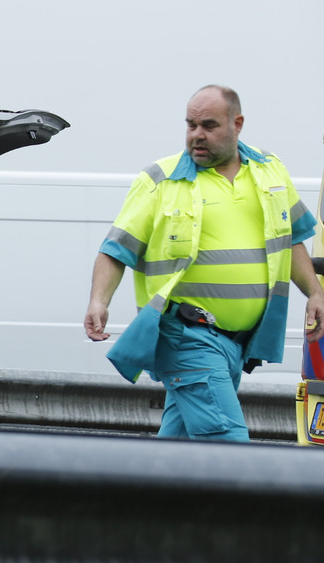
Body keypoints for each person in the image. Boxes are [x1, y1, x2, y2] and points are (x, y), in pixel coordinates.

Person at [83, 85, 324, 441]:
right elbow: (116, 249)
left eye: (208, 125)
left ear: (237, 123)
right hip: (186, 337)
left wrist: (315, 294)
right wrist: (98, 301)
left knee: (178, 457)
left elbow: (290, 242)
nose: (197, 135)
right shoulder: (160, 180)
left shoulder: (269, 172)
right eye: (191, 125)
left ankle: (137, 498)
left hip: (238, 345)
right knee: (227, 446)